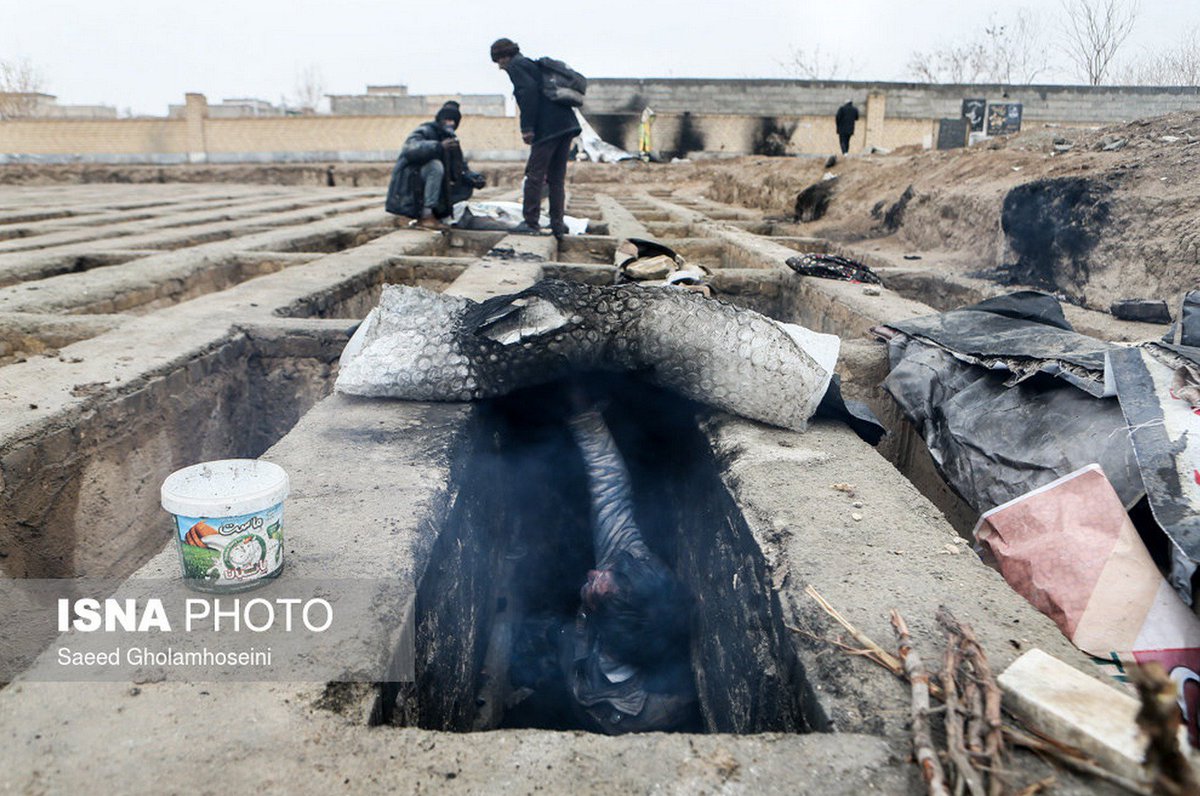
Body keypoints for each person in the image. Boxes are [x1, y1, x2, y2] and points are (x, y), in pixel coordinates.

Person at [558, 387, 698, 734]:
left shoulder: (650, 713)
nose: (593, 571)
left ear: (609, 630)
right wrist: (585, 412)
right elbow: (611, 491)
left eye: (595, 587)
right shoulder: (632, 565)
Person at [490, 38, 582, 237]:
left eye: (498, 62)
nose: (500, 67)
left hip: (547, 128)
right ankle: (557, 224)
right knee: (556, 178)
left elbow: (527, 94)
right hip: (566, 124)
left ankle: (530, 222)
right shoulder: (532, 64)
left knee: (535, 175)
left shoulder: (517, 66)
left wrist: (527, 127)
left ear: (504, 57)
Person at [384, 101, 486, 229]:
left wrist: (472, 177)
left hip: (433, 185)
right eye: (448, 120)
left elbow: (460, 167)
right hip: (413, 183)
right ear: (440, 120)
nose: (451, 124)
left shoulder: (451, 139)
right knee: (435, 166)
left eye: (454, 121)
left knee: (459, 181)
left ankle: (439, 214)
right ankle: (426, 216)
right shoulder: (425, 130)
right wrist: (438, 147)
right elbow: (410, 149)